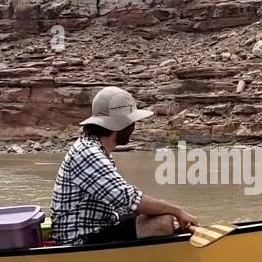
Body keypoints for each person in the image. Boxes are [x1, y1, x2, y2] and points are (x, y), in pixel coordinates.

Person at [50, 86, 199, 246]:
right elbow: (130, 199)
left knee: (161, 211)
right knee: (162, 221)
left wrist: (167, 210)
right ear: (121, 125)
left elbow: (124, 203)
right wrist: (177, 211)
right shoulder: (89, 153)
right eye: (132, 122)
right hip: (80, 239)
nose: (134, 128)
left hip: (100, 226)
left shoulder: (95, 149)